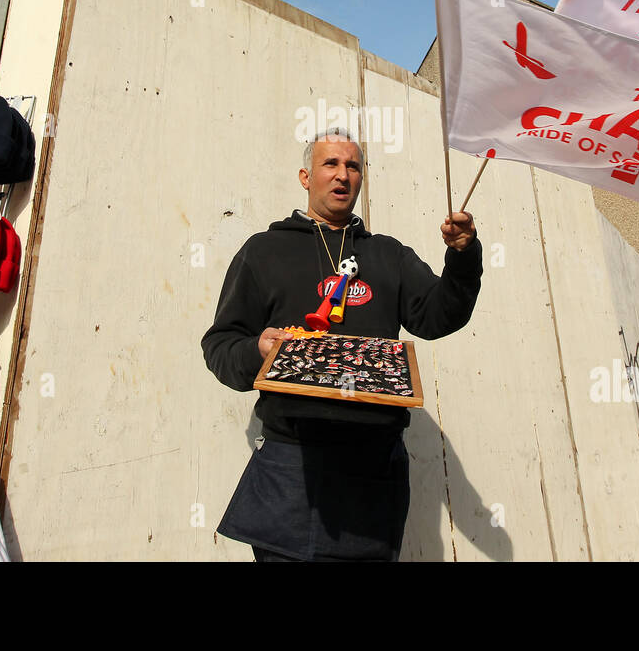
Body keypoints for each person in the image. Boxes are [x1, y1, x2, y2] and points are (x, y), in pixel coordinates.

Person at [201, 127, 482, 561]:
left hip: (374, 470)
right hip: (292, 463)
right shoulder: (263, 251)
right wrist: (257, 349)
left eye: (353, 165)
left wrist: (463, 257)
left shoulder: (390, 255)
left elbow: (438, 316)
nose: (342, 175)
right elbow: (220, 345)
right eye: (329, 164)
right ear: (305, 176)